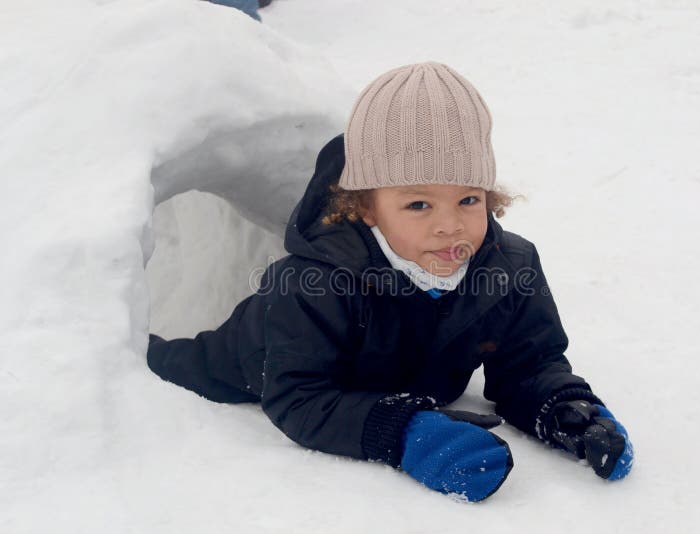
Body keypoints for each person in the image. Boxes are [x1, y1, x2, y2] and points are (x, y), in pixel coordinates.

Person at [147, 61, 634, 502]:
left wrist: (565, 408)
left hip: (381, 379)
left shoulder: (511, 266)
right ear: (364, 207)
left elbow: (530, 361)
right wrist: (405, 432)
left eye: (468, 200)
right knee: (161, 364)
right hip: (232, 366)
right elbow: (300, 397)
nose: (450, 225)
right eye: (418, 204)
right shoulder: (311, 283)